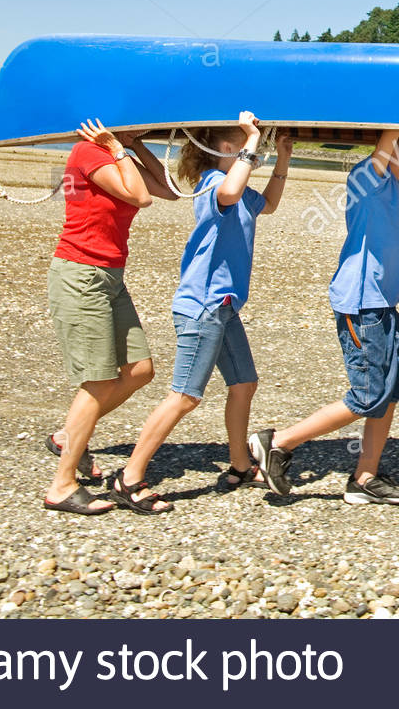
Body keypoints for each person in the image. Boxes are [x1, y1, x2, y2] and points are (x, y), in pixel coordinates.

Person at [107, 113, 292, 514]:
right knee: (185, 396)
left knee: (244, 383)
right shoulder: (214, 185)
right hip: (202, 307)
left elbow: (270, 204)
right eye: (247, 153)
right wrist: (252, 139)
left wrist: (282, 157)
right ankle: (130, 477)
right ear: (229, 149)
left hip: (224, 306)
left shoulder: (240, 189)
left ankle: (240, 466)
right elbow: (228, 193)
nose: (253, 158)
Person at [248, 129, 399, 505]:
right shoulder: (369, 177)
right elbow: (388, 132)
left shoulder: (393, 183)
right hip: (362, 306)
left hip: (384, 307)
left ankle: (365, 478)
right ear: (393, 146)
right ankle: (277, 443)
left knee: (388, 394)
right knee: (367, 395)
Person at [43, 120, 176, 514]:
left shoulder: (123, 157)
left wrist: (135, 148)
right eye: (140, 125)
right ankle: (61, 486)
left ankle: (68, 438)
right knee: (98, 381)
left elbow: (167, 190)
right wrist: (119, 149)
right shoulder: (89, 153)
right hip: (81, 273)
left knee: (140, 369)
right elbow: (142, 197)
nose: (148, 127)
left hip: (111, 275)